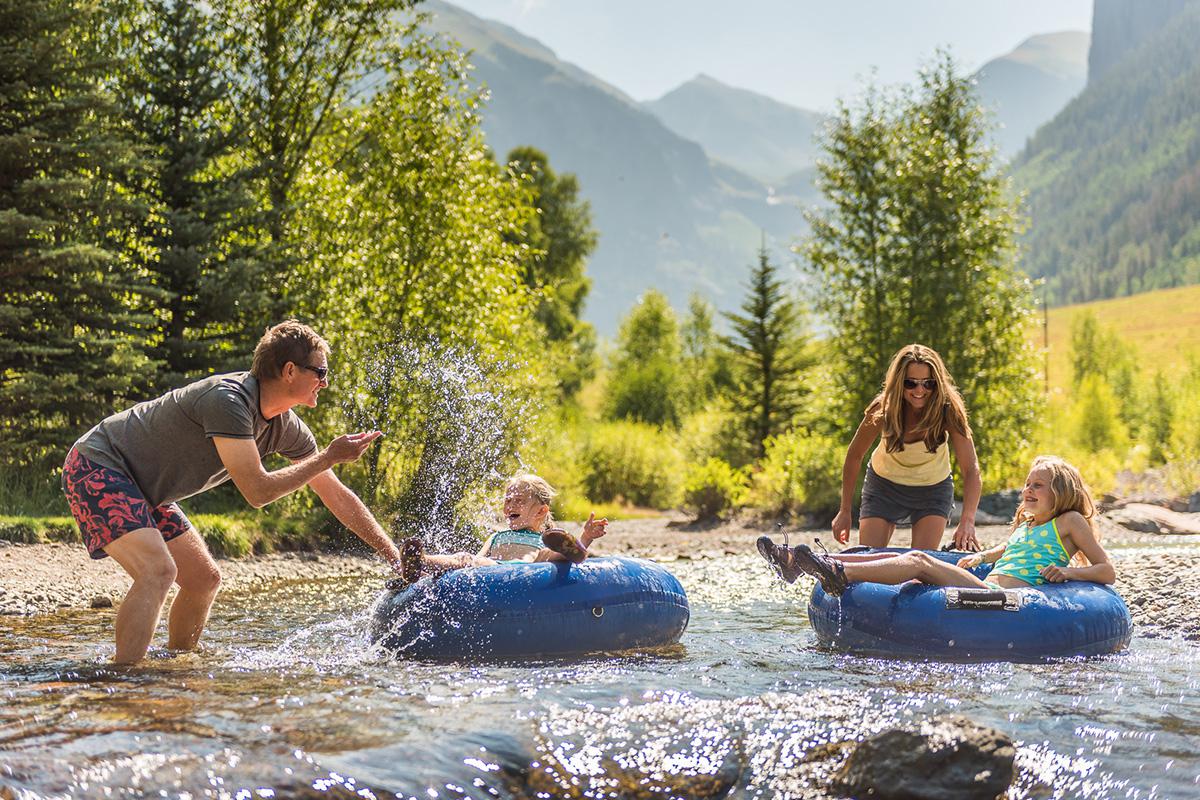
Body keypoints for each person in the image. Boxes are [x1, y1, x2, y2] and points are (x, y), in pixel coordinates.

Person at [61, 320, 403, 665]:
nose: (325, 382)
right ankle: (122, 678)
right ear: (289, 370)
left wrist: (396, 559)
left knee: (204, 580)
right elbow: (257, 491)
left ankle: (175, 666)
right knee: (158, 571)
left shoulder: (289, 429)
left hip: (145, 490)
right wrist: (328, 457)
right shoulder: (228, 400)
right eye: (320, 372)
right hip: (99, 465)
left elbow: (337, 495)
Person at [757, 455, 1115, 595]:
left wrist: (1069, 574)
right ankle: (803, 564)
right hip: (985, 582)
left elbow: (1106, 571)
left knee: (919, 561)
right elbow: (1010, 550)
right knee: (913, 558)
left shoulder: (1069, 521)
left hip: (1003, 598)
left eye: (1037, 485)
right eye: (1028, 483)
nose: (1027, 490)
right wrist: (982, 556)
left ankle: (835, 571)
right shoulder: (1029, 523)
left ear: (1061, 490)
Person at [830, 343, 982, 551]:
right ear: (899, 382)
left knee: (920, 561)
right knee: (868, 558)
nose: (920, 390)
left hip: (932, 489)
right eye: (911, 383)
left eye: (928, 384)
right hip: (884, 486)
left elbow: (971, 469)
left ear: (937, 383)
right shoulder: (883, 409)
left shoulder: (948, 410)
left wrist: (968, 520)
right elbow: (855, 455)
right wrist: (845, 511)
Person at [396, 474, 607, 583]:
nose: (510, 506)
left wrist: (588, 534)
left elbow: (546, 557)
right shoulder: (498, 535)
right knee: (465, 558)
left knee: (551, 554)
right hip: (493, 569)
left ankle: (576, 548)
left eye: (519, 501)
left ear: (541, 511)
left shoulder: (544, 538)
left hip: (527, 571)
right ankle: (419, 562)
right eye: (508, 501)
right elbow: (477, 559)